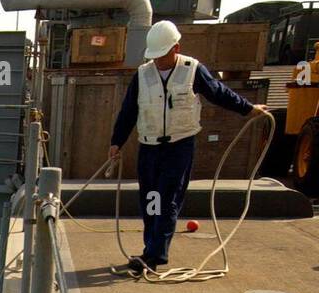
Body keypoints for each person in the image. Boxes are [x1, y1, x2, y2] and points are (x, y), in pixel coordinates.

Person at [108, 20, 271, 275]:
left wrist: (248, 109)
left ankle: (155, 254)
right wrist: (116, 142)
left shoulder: (191, 70)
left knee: (168, 199)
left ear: (176, 48)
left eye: (162, 55)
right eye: (155, 56)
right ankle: (150, 247)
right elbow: (129, 111)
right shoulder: (142, 75)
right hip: (149, 147)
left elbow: (219, 93)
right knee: (151, 199)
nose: (158, 61)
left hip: (178, 146)